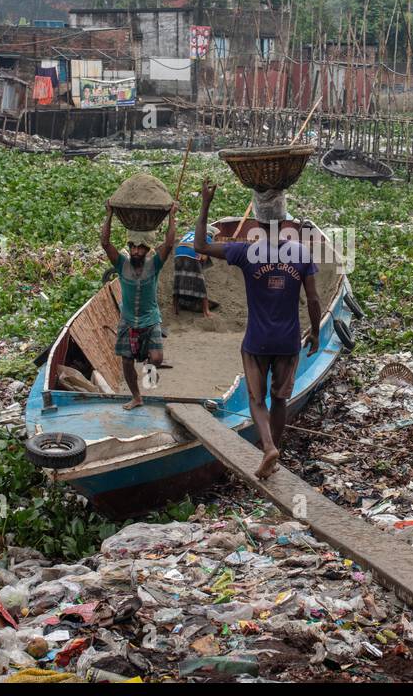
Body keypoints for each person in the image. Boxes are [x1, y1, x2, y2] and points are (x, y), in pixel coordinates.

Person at [195, 178, 321, 479]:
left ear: (259, 223)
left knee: (256, 398)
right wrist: (315, 331)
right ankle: (274, 451)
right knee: (279, 399)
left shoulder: (245, 251)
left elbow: (200, 245)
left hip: (257, 340)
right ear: (285, 222)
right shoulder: (301, 254)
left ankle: (267, 448)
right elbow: (314, 299)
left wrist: (205, 204)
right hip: (288, 341)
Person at [101, 199, 178, 409]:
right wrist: (109, 215)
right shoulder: (121, 264)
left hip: (150, 320)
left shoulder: (154, 265)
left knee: (157, 358)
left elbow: (169, 244)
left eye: (140, 248)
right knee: (126, 361)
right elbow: (105, 244)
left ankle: (148, 373)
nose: (135, 251)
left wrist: (172, 215)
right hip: (128, 321)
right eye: (132, 247)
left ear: (147, 249)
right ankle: (137, 397)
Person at [172, 225, 217, 319]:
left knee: (178, 279)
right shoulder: (207, 238)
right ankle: (206, 311)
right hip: (191, 254)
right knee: (200, 282)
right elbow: (203, 257)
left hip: (178, 254)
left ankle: (175, 308)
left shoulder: (189, 233)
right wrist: (201, 265)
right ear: (210, 234)